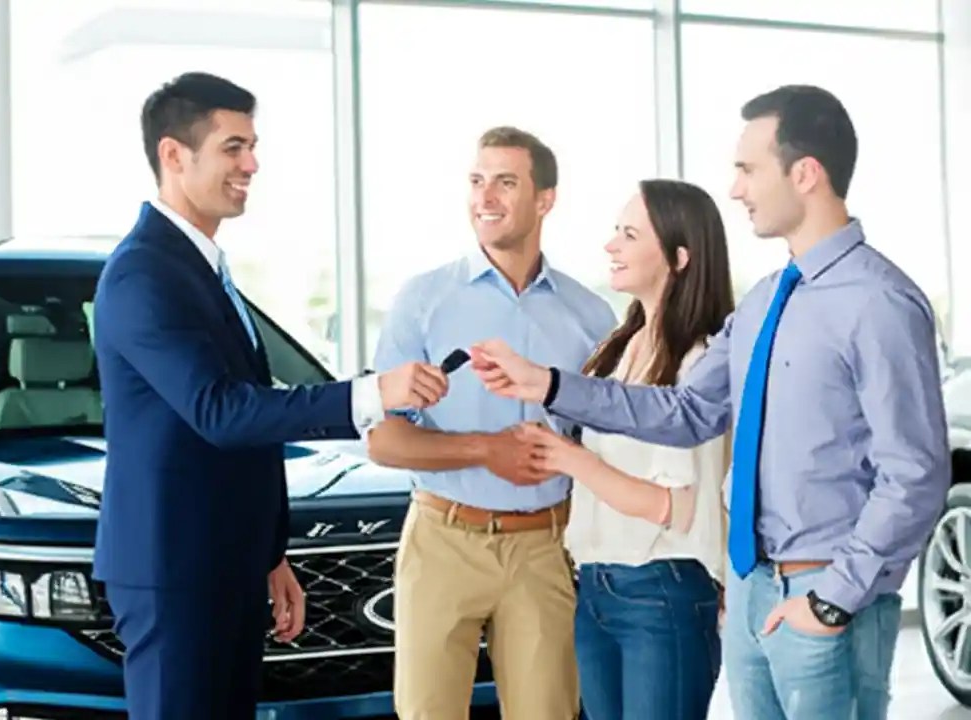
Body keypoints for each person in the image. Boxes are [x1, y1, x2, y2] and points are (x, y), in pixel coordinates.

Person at [470, 84, 951, 720]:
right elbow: (685, 412)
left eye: (748, 169)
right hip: (753, 591)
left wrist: (833, 599)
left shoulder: (879, 301)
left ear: (804, 174)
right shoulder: (765, 302)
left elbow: (915, 473)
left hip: (827, 594)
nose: (735, 189)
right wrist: (550, 385)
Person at [90, 71, 449, 720]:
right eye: (233, 147)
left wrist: (269, 553)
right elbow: (222, 413)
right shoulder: (144, 273)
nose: (252, 163)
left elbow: (246, 422)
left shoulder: (202, 266)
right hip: (176, 571)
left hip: (224, 562)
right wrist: (372, 394)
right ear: (175, 155)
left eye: (252, 145)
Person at [366, 126, 617, 720]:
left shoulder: (592, 316)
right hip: (441, 541)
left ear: (545, 199)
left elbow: (606, 442)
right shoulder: (422, 300)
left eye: (506, 182)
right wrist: (485, 449)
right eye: (477, 181)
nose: (486, 198)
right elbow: (382, 438)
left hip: (543, 548)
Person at [517, 179, 734, 720]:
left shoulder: (697, 362)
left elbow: (671, 507)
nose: (610, 245)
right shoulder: (616, 349)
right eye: (616, 230)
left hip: (660, 591)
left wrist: (570, 460)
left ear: (679, 257)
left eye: (629, 233)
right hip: (596, 587)